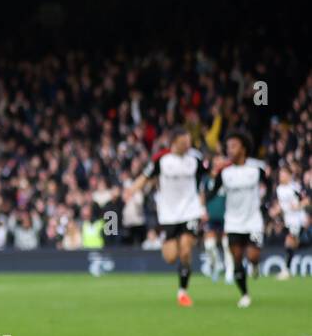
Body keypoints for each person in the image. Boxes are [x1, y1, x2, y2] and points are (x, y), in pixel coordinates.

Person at [124, 127, 207, 307]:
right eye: (184, 142)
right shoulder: (161, 160)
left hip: (190, 211)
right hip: (168, 214)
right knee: (170, 257)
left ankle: (183, 292)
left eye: (189, 142)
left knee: (185, 250)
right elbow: (145, 177)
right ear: (174, 143)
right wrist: (131, 190)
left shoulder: (195, 158)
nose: (188, 146)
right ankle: (176, 253)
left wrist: (202, 206)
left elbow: (203, 182)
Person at [208, 129, 271, 308]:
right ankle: (244, 294)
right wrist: (203, 204)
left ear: (243, 149)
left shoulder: (256, 169)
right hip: (233, 222)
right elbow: (212, 192)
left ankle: (255, 265)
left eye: (233, 146)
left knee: (253, 255)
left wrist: (267, 203)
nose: (230, 150)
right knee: (236, 258)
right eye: (228, 147)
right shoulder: (224, 173)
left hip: (254, 221)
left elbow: (270, 184)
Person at [275, 166, 307, 280]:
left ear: (289, 175)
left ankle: (286, 270)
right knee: (292, 244)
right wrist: (277, 212)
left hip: (297, 219)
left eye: (283, 174)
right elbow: (282, 206)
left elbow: (307, 199)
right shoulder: (279, 189)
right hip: (288, 221)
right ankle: (287, 269)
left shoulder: (295, 187)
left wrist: (298, 205)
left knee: (289, 242)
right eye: (280, 175)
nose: (281, 177)